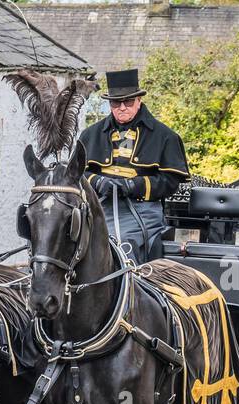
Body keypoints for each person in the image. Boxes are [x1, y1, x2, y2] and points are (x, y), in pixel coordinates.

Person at [78, 68, 190, 263]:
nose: (122, 107)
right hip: (99, 206)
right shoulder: (90, 135)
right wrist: (97, 182)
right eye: (115, 102)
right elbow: (77, 173)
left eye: (128, 101)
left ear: (139, 101)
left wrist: (133, 186)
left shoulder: (165, 137)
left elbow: (170, 181)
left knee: (120, 246)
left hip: (142, 210)